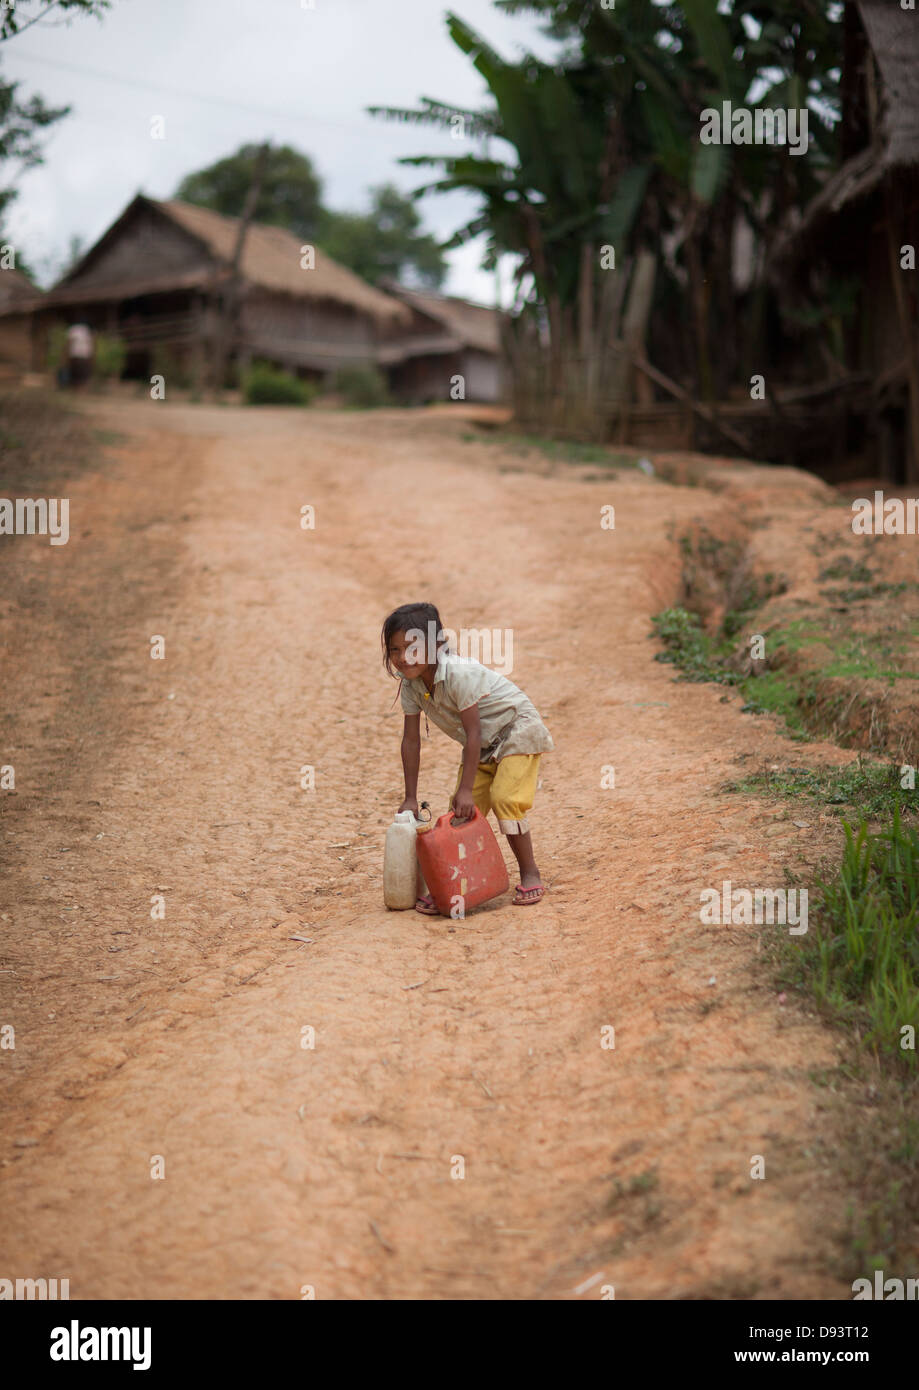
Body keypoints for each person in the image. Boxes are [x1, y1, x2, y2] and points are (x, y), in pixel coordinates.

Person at [382, 601, 553, 913]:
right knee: (458, 815)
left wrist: (465, 788)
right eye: (394, 649)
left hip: (516, 731)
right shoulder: (412, 685)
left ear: (436, 645)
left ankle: (530, 873)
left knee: (505, 799)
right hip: (484, 746)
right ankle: (451, 886)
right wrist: (410, 796)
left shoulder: (459, 674)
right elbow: (410, 740)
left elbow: (473, 732)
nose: (402, 657)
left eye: (412, 647)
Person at [66, 322, 94, 389]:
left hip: (81, 355)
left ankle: (80, 389)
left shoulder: (74, 329)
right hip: (79, 355)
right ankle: (78, 389)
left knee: (81, 374)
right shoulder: (74, 329)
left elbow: (91, 343)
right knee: (77, 374)